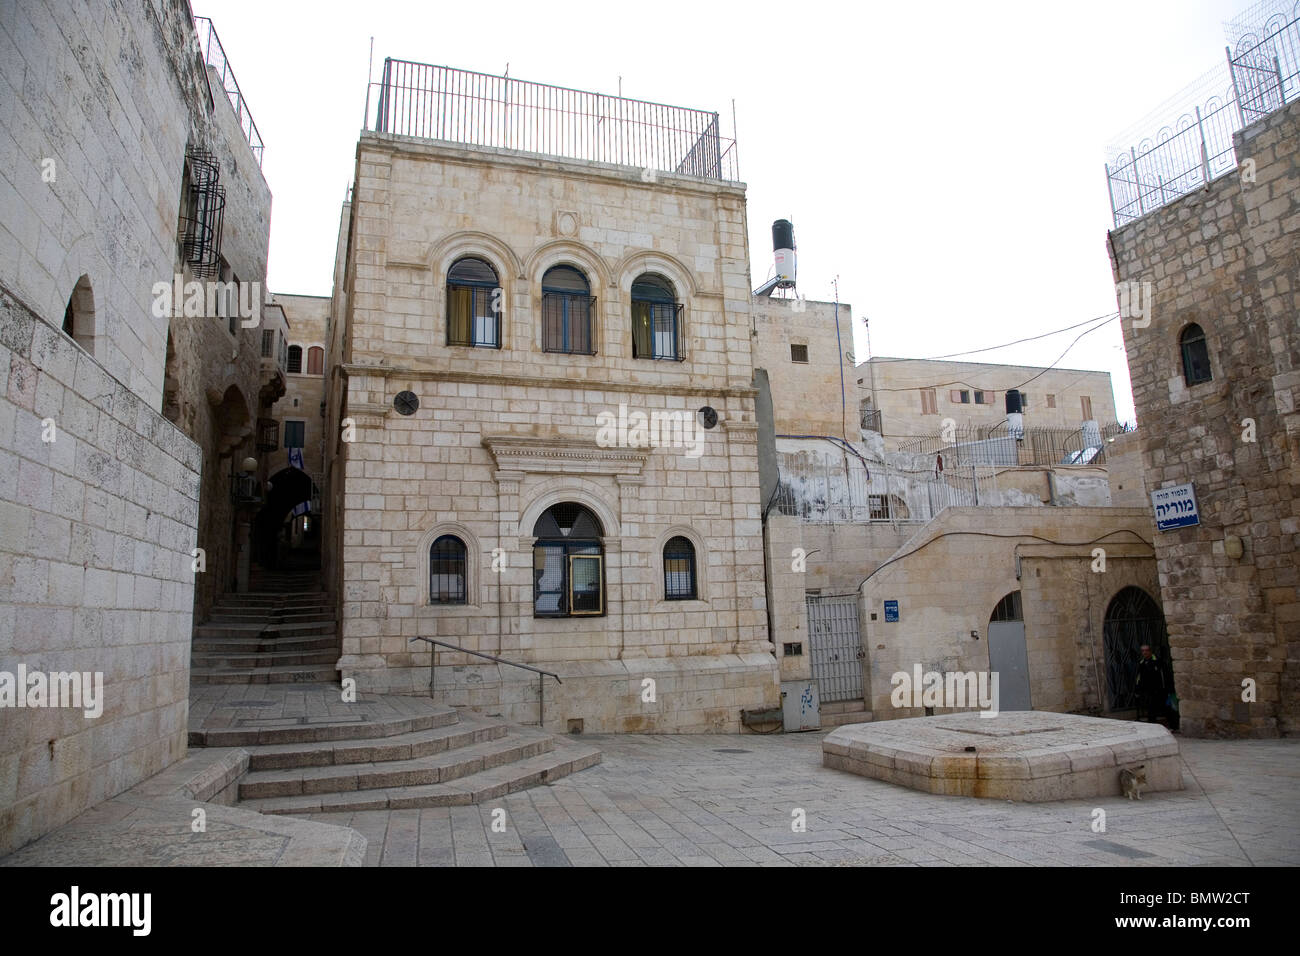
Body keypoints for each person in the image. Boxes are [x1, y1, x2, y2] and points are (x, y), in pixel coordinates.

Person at [1135, 644, 1166, 724]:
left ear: (1150, 651)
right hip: (1147, 690)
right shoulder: (1141, 663)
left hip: (1158, 688)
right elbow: (1139, 677)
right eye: (1143, 651)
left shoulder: (1157, 661)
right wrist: (1138, 689)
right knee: (1150, 707)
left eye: (1146, 650)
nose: (1144, 652)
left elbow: (1163, 674)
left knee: (1161, 706)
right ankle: (1152, 722)